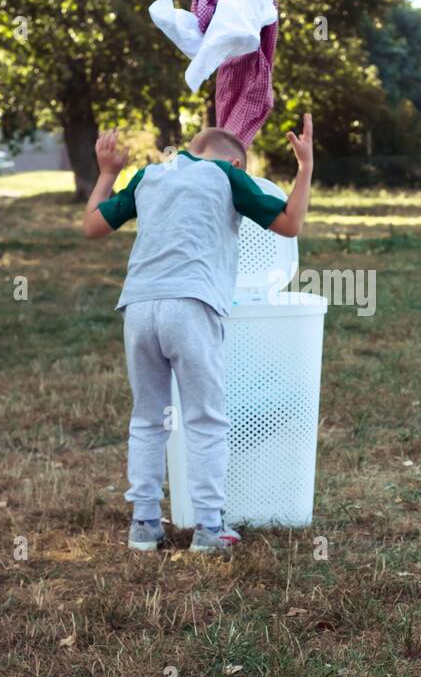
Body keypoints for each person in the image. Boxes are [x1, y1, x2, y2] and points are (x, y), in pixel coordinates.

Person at [81, 115, 314, 552]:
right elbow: (289, 224)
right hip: (191, 306)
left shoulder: (151, 175)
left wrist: (108, 173)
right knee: (204, 418)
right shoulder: (228, 175)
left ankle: (144, 524)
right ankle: (209, 527)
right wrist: (305, 168)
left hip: (138, 307)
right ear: (236, 163)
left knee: (148, 419)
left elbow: (92, 225)